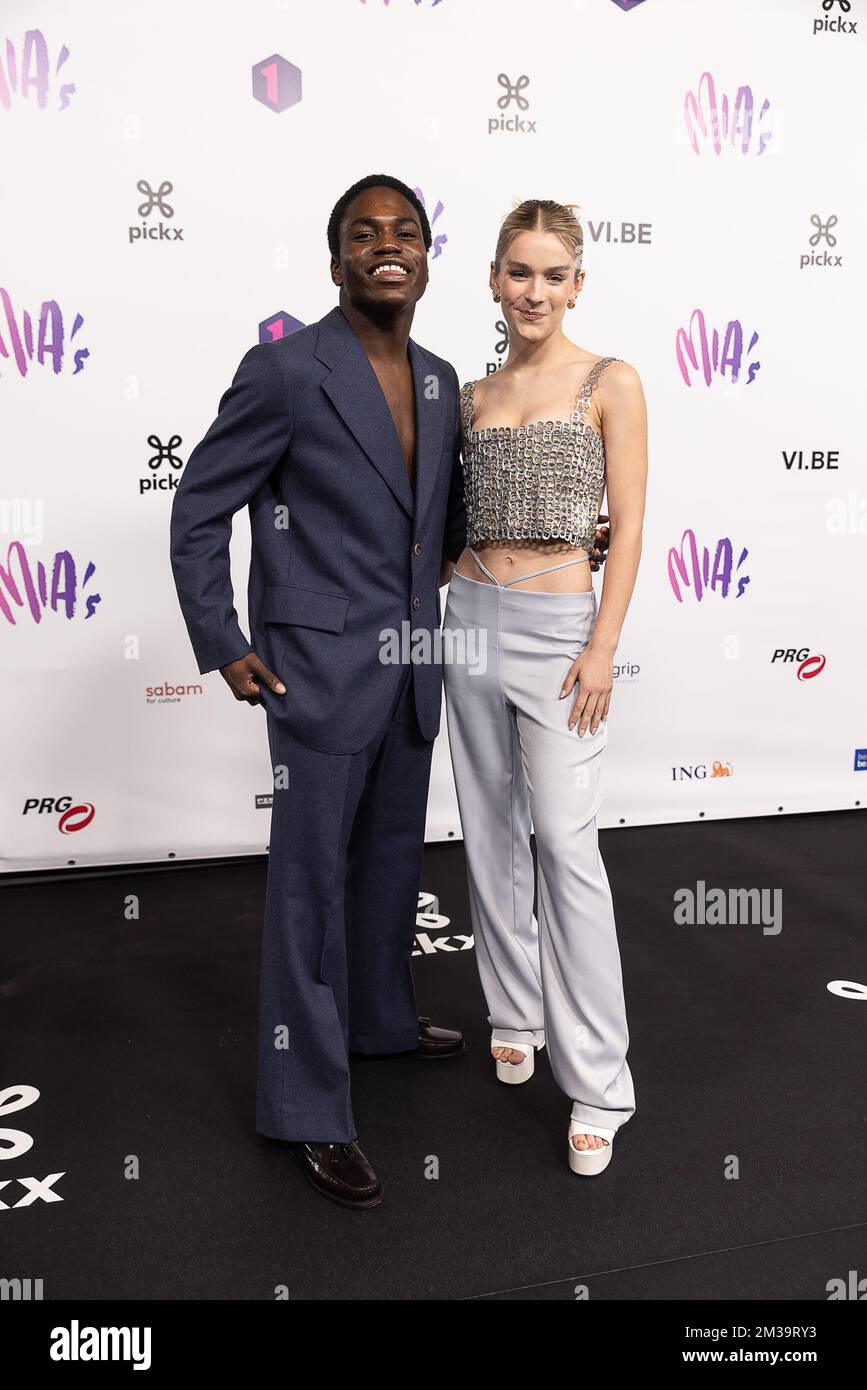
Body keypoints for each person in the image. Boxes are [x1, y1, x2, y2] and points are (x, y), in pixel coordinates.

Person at [169, 175, 469, 1211]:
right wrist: (223, 639)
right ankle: (305, 1106)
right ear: (335, 258)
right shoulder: (287, 370)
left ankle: (380, 1022)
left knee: (389, 863)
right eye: (364, 234)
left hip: (410, 666)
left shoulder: (442, 380)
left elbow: (441, 529)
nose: (389, 247)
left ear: (429, 257)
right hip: (314, 668)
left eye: (408, 233)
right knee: (308, 891)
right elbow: (201, 505)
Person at [441, 198, 648, 1175]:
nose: (534, 290)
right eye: (518, 272)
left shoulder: (612, 380)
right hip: (471, 623)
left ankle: (601, 1084)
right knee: (489, 826)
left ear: (577, 283)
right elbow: (447, 531)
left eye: (552, 274)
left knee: (566, 843)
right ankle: (512, 1010)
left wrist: (603, 644)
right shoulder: (472, 394)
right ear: (493, 279)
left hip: (563, 632)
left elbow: (631, 527)